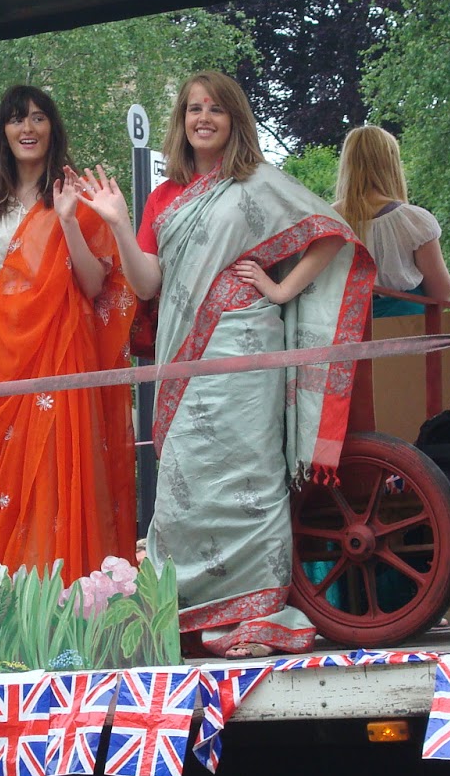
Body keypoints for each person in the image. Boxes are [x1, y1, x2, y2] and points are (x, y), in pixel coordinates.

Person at [90, 70, 375, 658]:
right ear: (181, 120)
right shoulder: (165, 198)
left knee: (251, 474)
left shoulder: (258, 183)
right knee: (185, 479)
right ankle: (186, 613)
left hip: (246, 348)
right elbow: (147, 285)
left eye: (216, 109)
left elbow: (331, 234)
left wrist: (280, 289)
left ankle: (257, 615)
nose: (204, 118)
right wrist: (118, 221)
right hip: (184, 356)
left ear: (235, 120)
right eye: (194, 108)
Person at [0, 86, 135, 578]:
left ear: (52, 128)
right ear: (2, 132)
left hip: (61, 353)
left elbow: (93, 285)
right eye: (16, 119)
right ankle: (17, 602)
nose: (27, 128)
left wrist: (67, 220)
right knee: (11, 486)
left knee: (58, 471)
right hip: (2, 361)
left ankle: (72, 596)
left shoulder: (75, 195)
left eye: (37, 118)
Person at [334, 125, 450, 316]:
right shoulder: (412, 220)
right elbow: (441, 294)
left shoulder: (325, 219)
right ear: (391, 164)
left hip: (347, 327)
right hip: (406, 326)